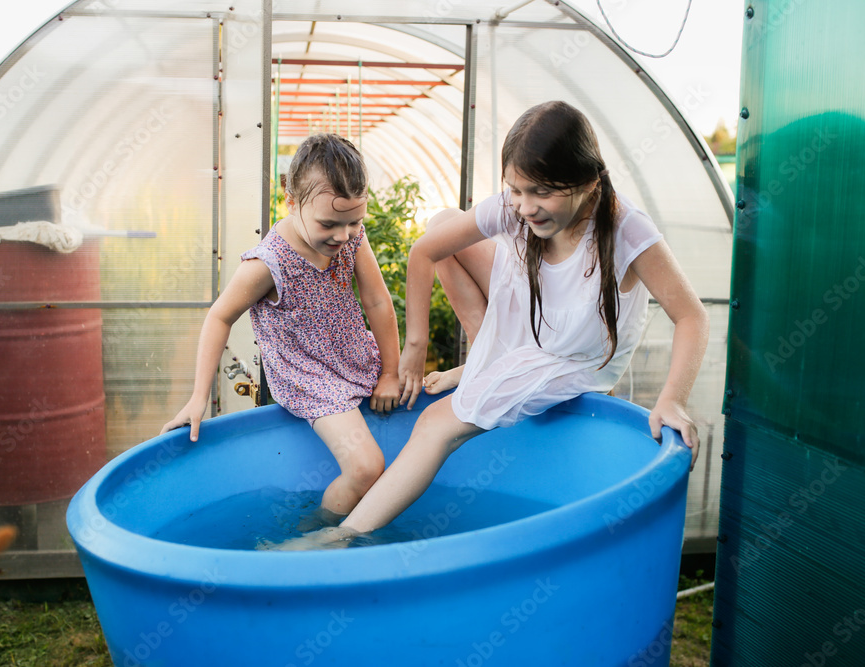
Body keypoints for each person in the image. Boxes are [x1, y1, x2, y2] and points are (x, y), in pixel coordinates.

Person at [286, 100, 709, 548]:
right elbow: (423, 251)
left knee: (435, 424)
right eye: (516, 189)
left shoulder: (627, 231)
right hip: (536, 320)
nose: (526, 206)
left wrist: (673, 399)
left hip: (571, 357)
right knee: (444, 224)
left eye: (541, 192)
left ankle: (343, 535)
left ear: (588, 182)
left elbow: (691, 316)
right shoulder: (519, 209)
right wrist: (415, 346)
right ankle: (481, 360)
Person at [161, 133, 401, 521]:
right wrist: (198, 398)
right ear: (291, 200)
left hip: (353, 355)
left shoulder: (349, 235)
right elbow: (219, 317)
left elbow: (376, 300)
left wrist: (390, 371)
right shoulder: (268, 264)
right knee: (366, 468)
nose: (343, 235)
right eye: (329, 224)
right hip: (309, 376)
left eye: (355, 221)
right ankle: (322, 537)